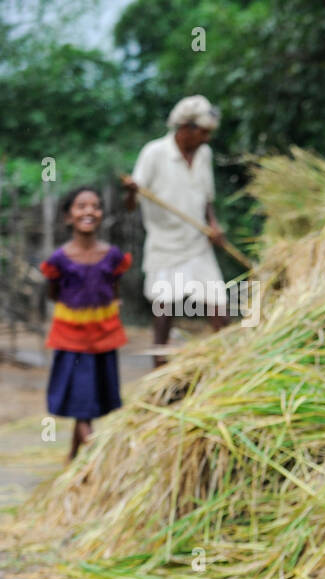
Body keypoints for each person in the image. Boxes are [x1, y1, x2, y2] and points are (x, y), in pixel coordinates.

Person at [121, 94, 228, 367]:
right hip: (165, 243)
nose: (206, 138)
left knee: (218, 303)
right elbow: (132, 204)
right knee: (165, 306)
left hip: (197, 242)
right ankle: (159, 364)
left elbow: (206, 198)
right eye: (203, 132)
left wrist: (213, 226)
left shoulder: (204, 154)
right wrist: (132, 192)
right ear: (185, 128)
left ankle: (229, 360)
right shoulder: (154, 153)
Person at [38, 186, 130, 460]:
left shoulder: (113, 256)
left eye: (95, 206)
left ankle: (72, 456)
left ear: (101, 214)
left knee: (93, 397)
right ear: (68, 216)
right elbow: (53, 293)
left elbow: (113, 290)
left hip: (103, 335)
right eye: (81, 206)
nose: (89, 211)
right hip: (72, 338)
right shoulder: (58, 260)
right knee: (82, 395)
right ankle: (95, 456)